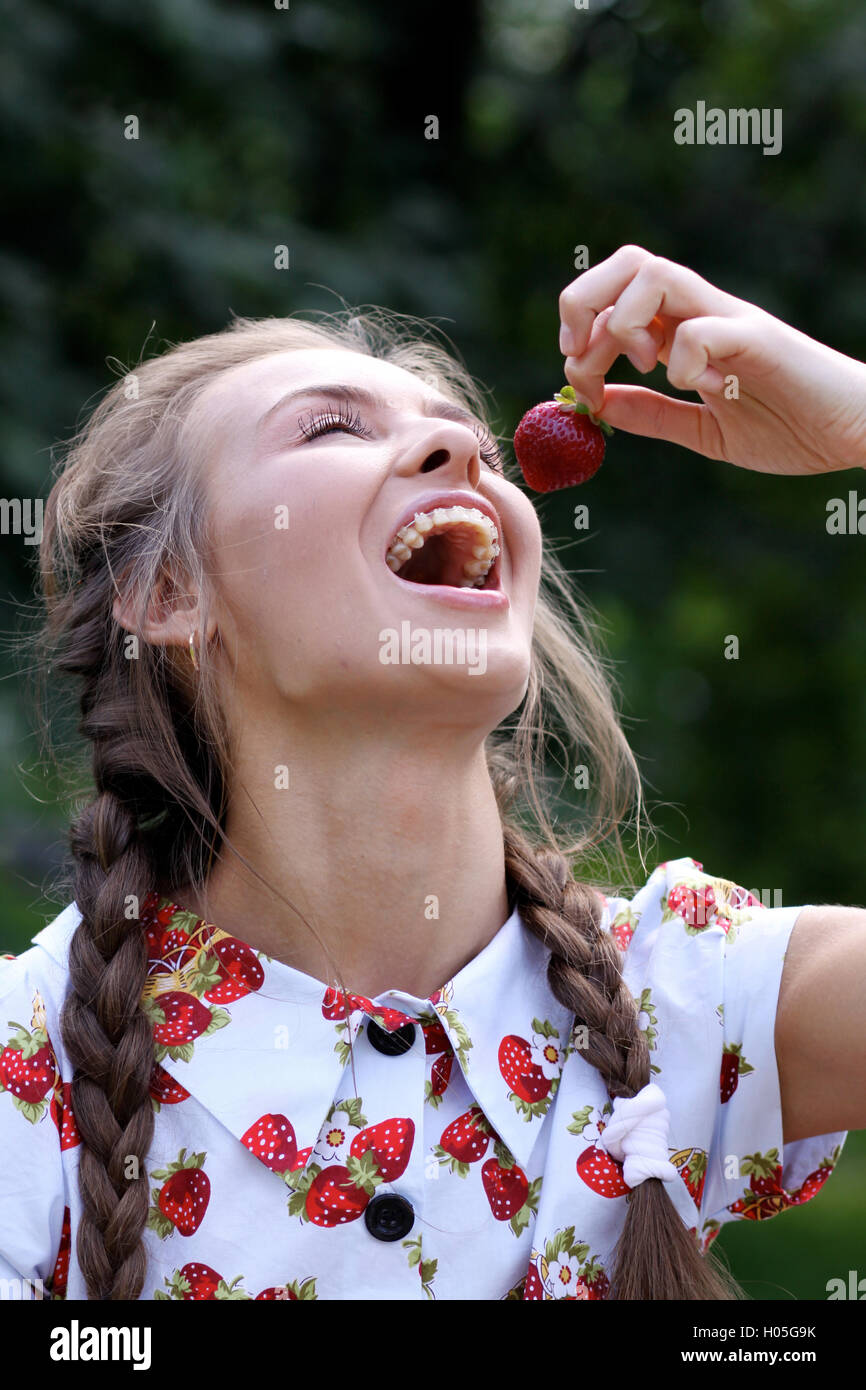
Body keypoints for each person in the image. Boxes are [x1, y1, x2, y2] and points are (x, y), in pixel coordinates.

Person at [0, 247, 863, 1301]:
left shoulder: (682, 997)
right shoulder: (28, 1078)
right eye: (330, 427)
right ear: (170, 592)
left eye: (465, 436)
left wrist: (857, 421)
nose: (461, 442)